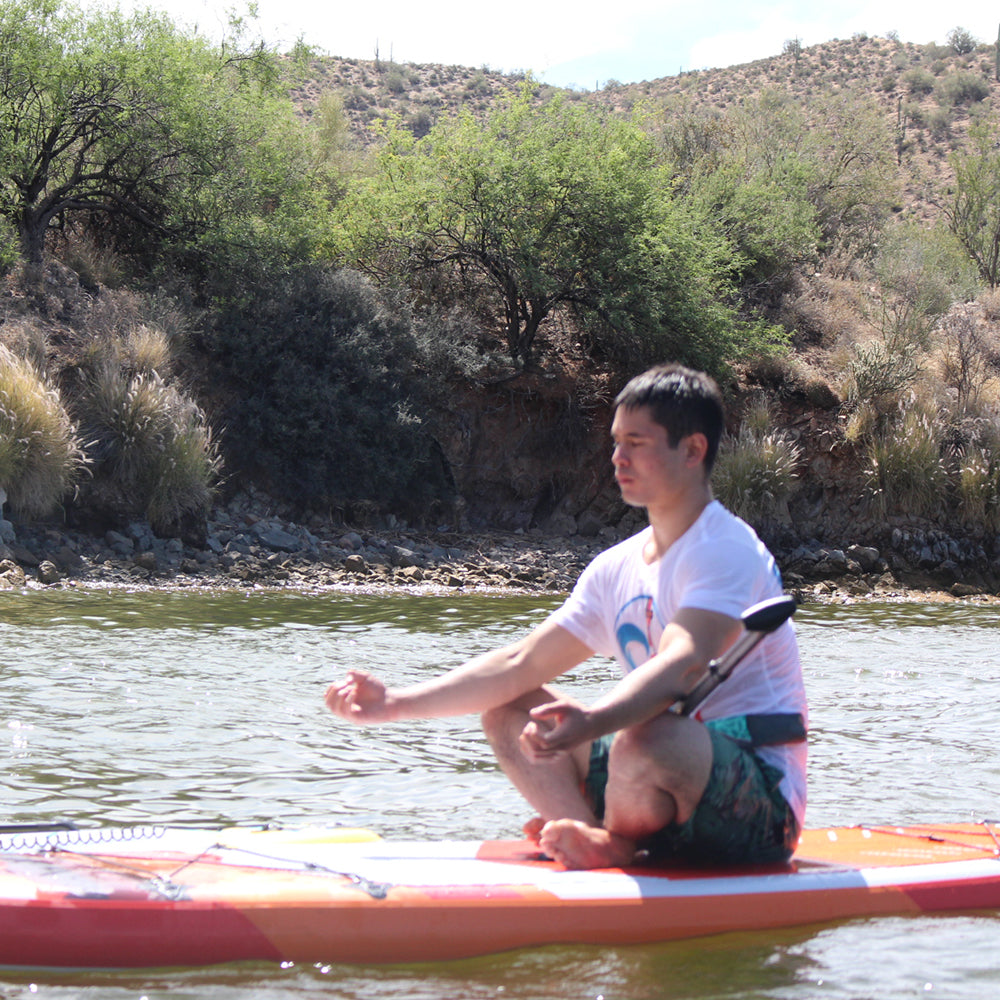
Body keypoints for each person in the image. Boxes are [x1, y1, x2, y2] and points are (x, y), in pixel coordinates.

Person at [325, 363, 807, 870]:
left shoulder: (724, 548)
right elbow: (521, 662)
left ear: (692, 450)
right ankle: (596, 834)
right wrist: (394, 704)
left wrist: (594, 721)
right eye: (616, 441)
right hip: (643, 777)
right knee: (511, 709)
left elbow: (686, 661)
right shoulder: (615, 567)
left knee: (644, 733)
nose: (618, 457)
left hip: (759, 807)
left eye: (637, 442)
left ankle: (615, 844)